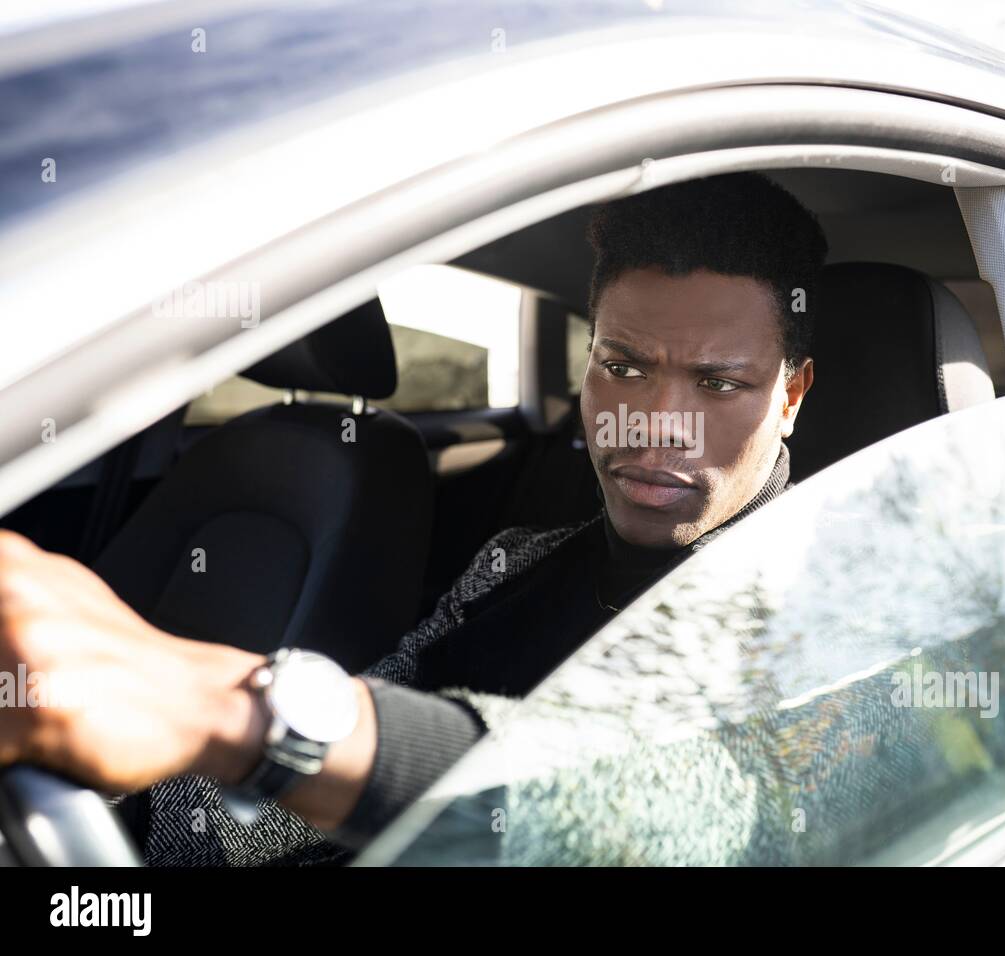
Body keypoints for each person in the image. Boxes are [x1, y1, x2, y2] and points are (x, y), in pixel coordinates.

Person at [0, 171, 827, 865]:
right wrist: (119, 800)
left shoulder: (853, 604)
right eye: (622, 367)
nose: (652, 423)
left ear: (790, 395)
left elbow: (701, 808)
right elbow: (300, 789)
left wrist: (234, 716)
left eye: (719, 385)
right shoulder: (515, 565)